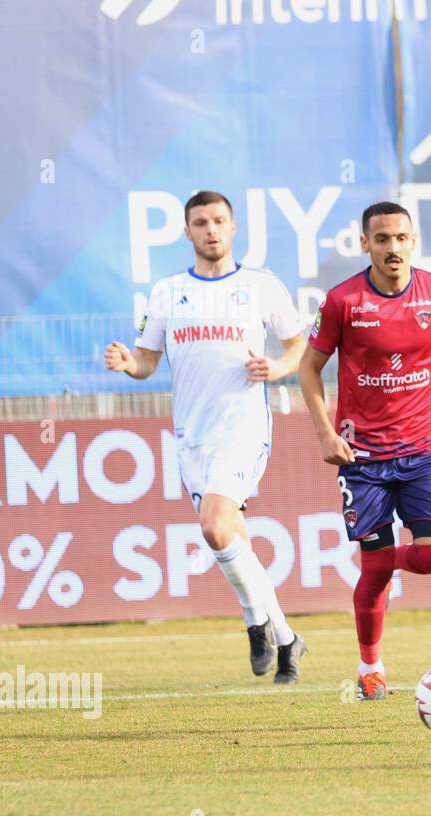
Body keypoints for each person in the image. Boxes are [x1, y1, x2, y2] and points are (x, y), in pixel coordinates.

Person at [105, 190, 309, 682]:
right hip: (191, 435)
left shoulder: (260, 285)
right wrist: (129, 364)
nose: (211, 230)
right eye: (201, 223)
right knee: (235, 537)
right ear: (187, 231)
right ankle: (287, 639)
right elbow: (148, 360)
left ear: (233, 227)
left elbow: (298, 344)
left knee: (216, 526)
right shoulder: (168, 291)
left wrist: (277, 367)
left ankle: (254, 623)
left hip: (242, 428)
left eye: (219, 220)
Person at [298, 201, 431, 701]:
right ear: (365, 244)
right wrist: (323, 434)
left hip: (423, 452)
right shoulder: (344, 302)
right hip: (362, 460)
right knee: (374, 575)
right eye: (382, 239)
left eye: (401, 238)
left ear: (413, 240)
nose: (393, 248)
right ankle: (370, 667)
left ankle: (383, 562)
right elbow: (308, 369)